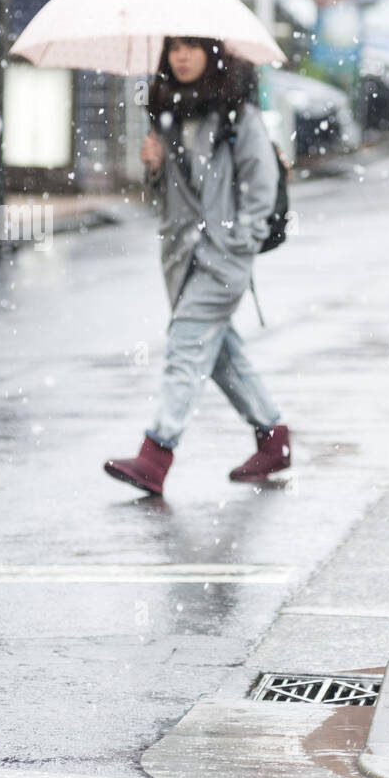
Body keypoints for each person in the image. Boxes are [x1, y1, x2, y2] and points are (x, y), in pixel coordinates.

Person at [104, 36, 290, 496]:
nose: (181, 57)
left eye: (191, 48)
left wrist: (237, 245)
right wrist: (155, 168)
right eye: (174, 49)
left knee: (186, 347)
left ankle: (156, 454)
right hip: (182, 259)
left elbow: (261, 186)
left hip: (221, 262)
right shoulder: (167, 116)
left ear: (212, 54)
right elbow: (171, 199)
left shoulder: (237, 116)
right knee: (223, 355)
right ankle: (273, 440)